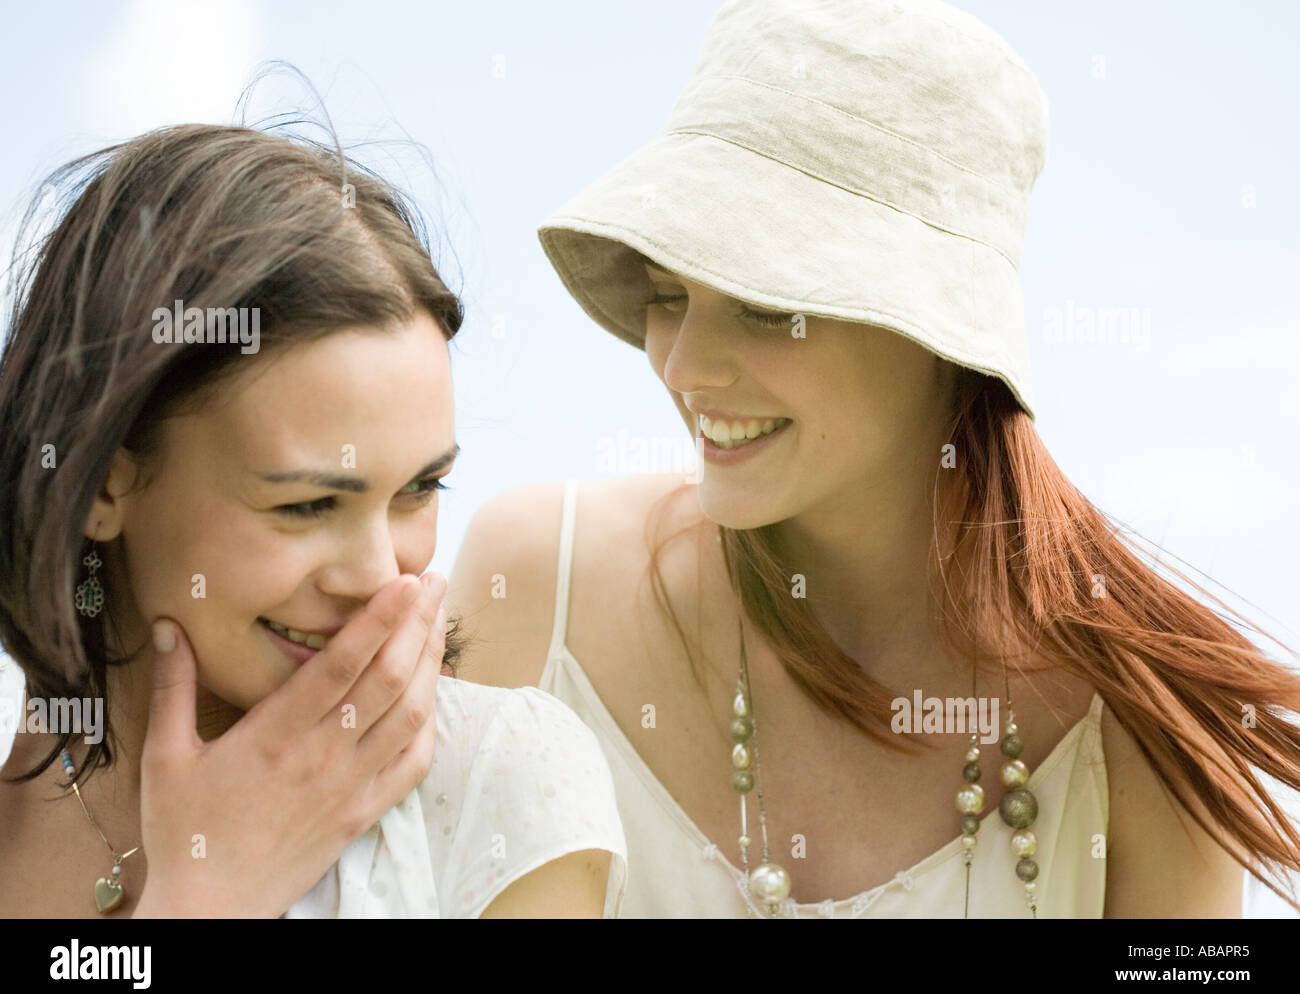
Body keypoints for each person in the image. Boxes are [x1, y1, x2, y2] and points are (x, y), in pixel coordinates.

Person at [448, 0, 1300, 917]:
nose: (684, 367)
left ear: (937, 336)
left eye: (767, 306)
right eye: (666, 294)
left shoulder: (1145, 737)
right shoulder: (536, 591)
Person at [0, 120, 626, 918]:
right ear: (102, 483)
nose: (379, 577)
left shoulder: (500, 784)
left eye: (420, 487)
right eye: (308, 504)